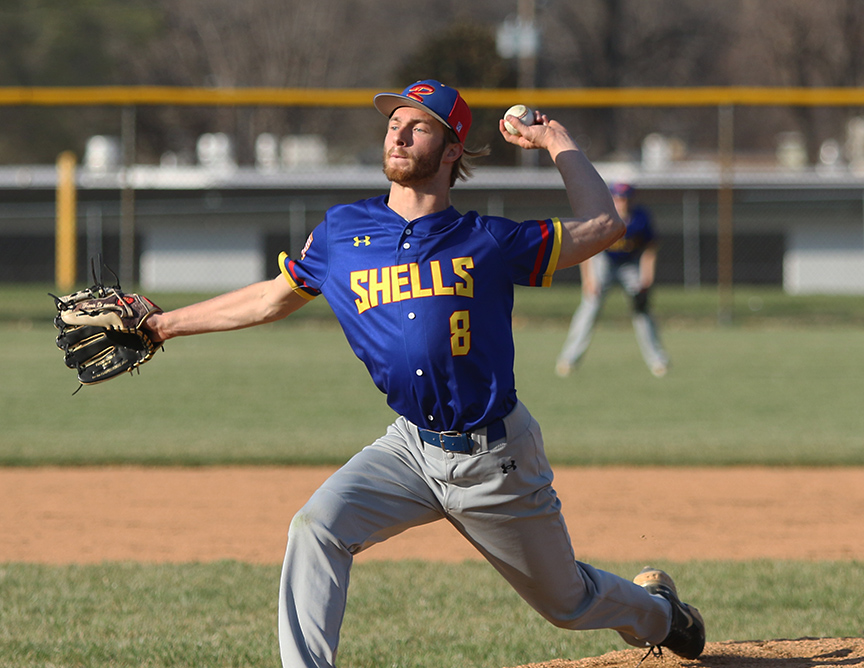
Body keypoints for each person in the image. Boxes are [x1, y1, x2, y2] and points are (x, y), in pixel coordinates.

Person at [143, 80, 704, 667]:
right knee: (315, 526)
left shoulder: (488, 240)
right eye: (394, 123)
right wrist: (162, 326)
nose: (399, 134)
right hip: (409, 450)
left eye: (419, 126)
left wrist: (556, 139)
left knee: (569, 603)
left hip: (495, 459)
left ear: (453, 149)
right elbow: (269, 299)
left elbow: (605, 225)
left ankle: (662, 614)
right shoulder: (341, 233)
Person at [555, 182, 670, 378]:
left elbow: (650, 249)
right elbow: (587, 247)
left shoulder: (640, 218)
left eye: (625, 198)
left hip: (630, 265)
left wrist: (646, 280)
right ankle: (568, 359)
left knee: (642, 309)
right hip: (603, 262)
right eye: (617, 198)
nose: (622, 202)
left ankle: (658, 360)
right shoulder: (603, 216)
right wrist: (589, 279)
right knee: (590, 307)